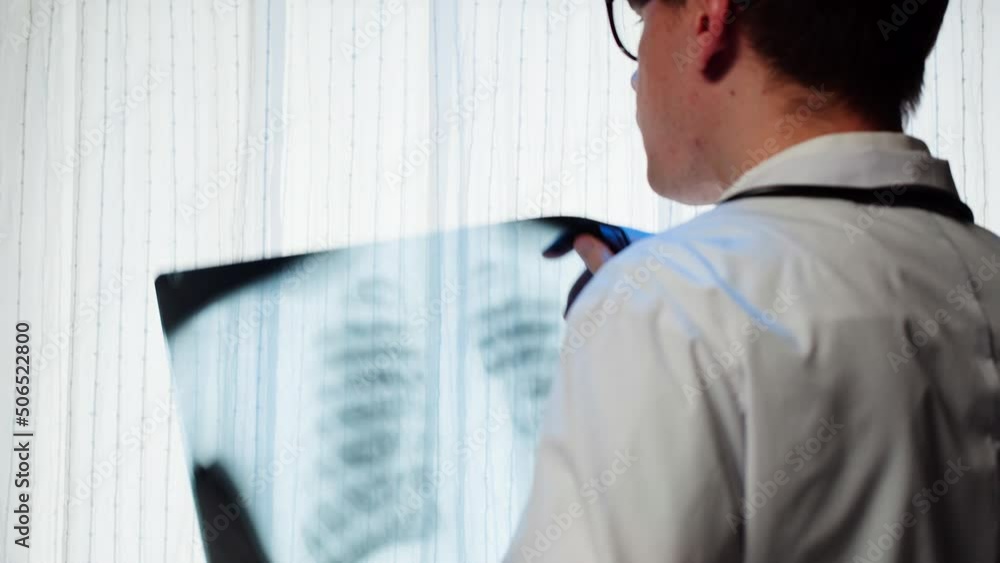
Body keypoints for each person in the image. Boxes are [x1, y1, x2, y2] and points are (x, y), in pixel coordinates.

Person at [504, 1, 1000, 562]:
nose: (636, 71)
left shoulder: (662, 311)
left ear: (707, 20)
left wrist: (656, 312)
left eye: (642, 19)